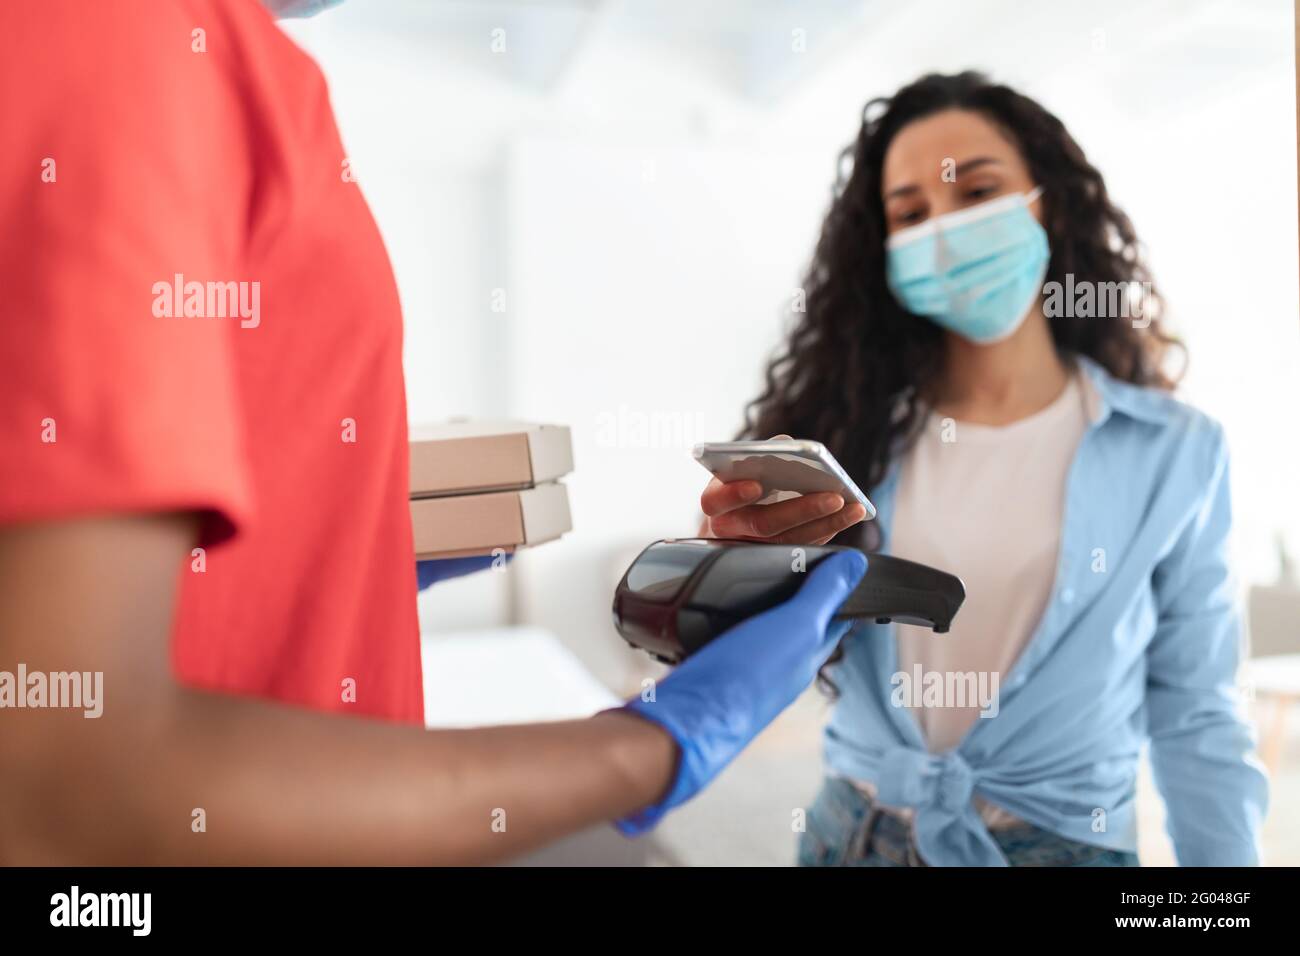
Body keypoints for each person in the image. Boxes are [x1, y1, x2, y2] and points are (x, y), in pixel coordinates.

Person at [0, 0, 868, 864]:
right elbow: (64, 783)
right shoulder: (128, 33)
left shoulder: (209, 55)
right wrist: (661, 744)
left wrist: (345, 574)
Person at [699, 72, 1270, 866]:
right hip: (851, 836)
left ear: (1050, 202)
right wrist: (728, 573)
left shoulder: (1175, 449)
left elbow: (1196, 707)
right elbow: (765, 653)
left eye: (977, 191)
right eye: (910, 212)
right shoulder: (848, 434)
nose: (944, 229)